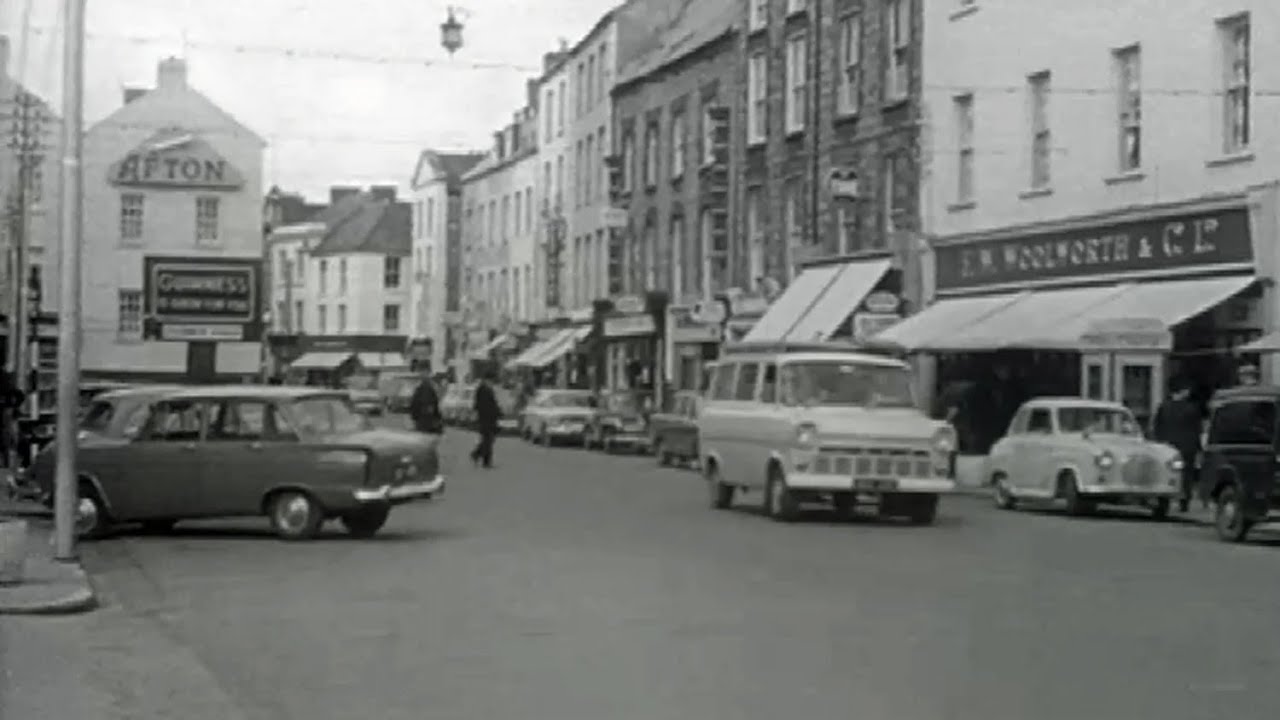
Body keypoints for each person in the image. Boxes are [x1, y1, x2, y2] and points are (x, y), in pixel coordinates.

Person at [1152, 380, 1202, 512]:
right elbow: (1197, 430)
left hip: (1167, 447)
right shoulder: (1192, 408)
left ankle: (1163, 501)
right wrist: (1199, 448)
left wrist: (1159, 443)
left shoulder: (1164, 407)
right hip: (1187, 446)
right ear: (1184, 391)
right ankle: (1184, 501)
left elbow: (1157, 427)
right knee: (1186, 475)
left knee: (1166, 473)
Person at [470, 372, 501, 468]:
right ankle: (486, 461)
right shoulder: (482, 389)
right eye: (491, 380)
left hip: (490, 418)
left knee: (488, 439)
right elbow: (481, 404)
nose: (491, 382)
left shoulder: (488, 389)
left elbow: (492, 403)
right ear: (487, 380)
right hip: (485, 418)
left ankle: (477, 454)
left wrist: (498, 412)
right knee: (488, 439)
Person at [408, 372, 443, 436]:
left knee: (422, 437)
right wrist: (438, 417)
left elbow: (413, 404)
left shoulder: (418, 390)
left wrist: (414, 417)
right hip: (429, 419)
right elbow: (435, 405)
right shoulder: (431, 390)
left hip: (421, 419)